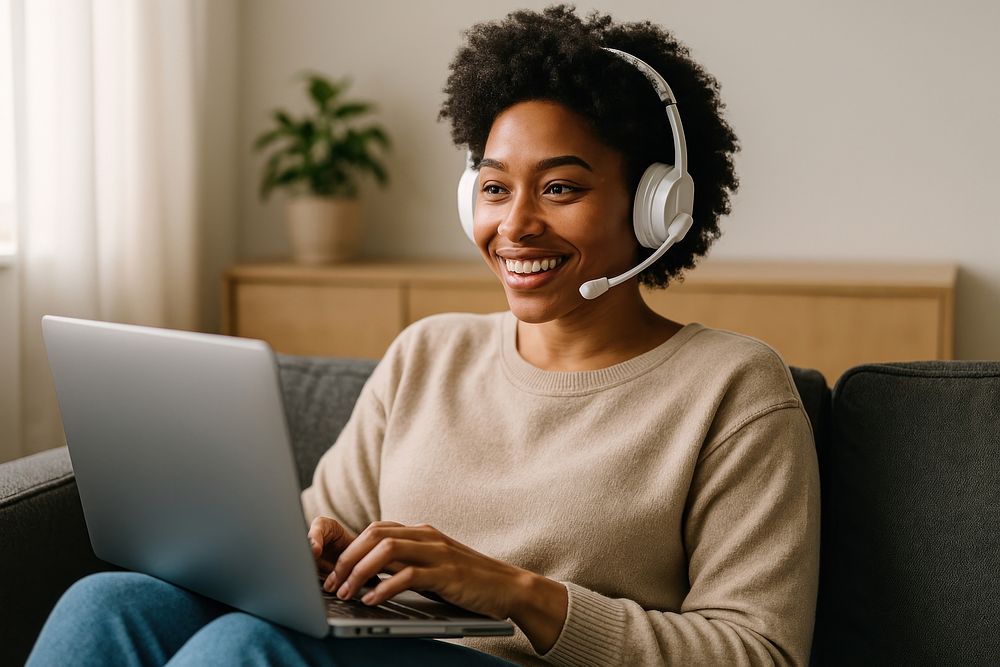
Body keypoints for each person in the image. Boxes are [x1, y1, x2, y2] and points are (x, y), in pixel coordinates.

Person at [29, 5, 818, 666]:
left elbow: (760, 649)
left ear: (656, 207)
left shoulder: (733, 386)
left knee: (250, 647)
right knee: (109, 603)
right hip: (387, 649)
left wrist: (516, 592)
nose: (516, 224)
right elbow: (320, 523)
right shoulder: (429, 353)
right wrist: (315, 547)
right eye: (496, 187)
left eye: (560, 188)